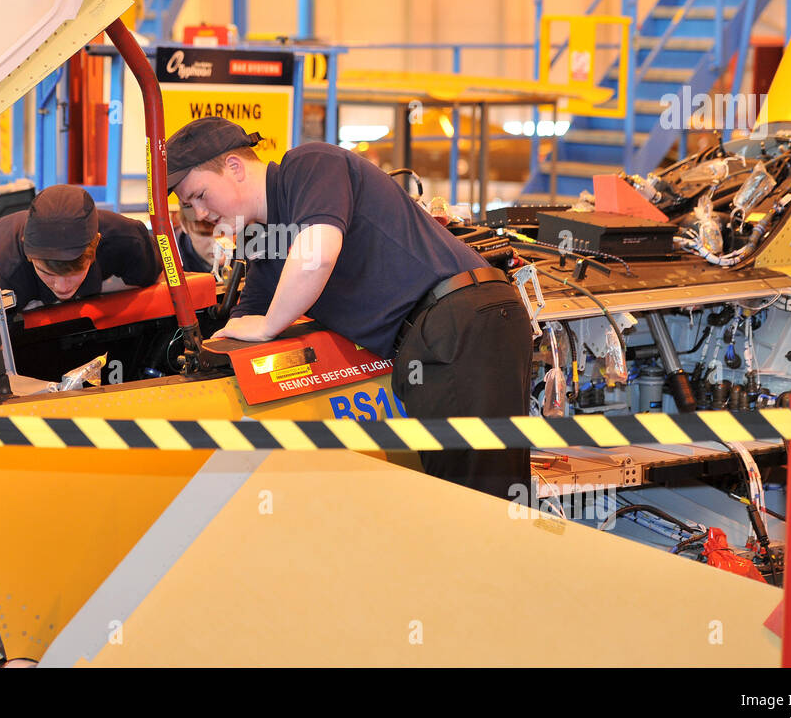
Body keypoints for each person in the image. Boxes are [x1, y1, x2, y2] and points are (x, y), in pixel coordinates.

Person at [167, 116, 534, 498]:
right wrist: (209, 354)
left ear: (235, 167)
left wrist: (268, 326)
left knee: (477, 502)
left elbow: (316, 258)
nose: (202, 215)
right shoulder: (259, 236)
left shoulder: (310, 166)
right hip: (430, 341)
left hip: (463, 320)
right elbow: (249, 315)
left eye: (200, 196)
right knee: (459, 495)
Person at [0, 184, 160, 311]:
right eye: (48, 272)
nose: (62, 287)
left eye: (73, 272)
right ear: (27, 249)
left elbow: (160, 281)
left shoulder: (127, 240)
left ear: (97, 243)